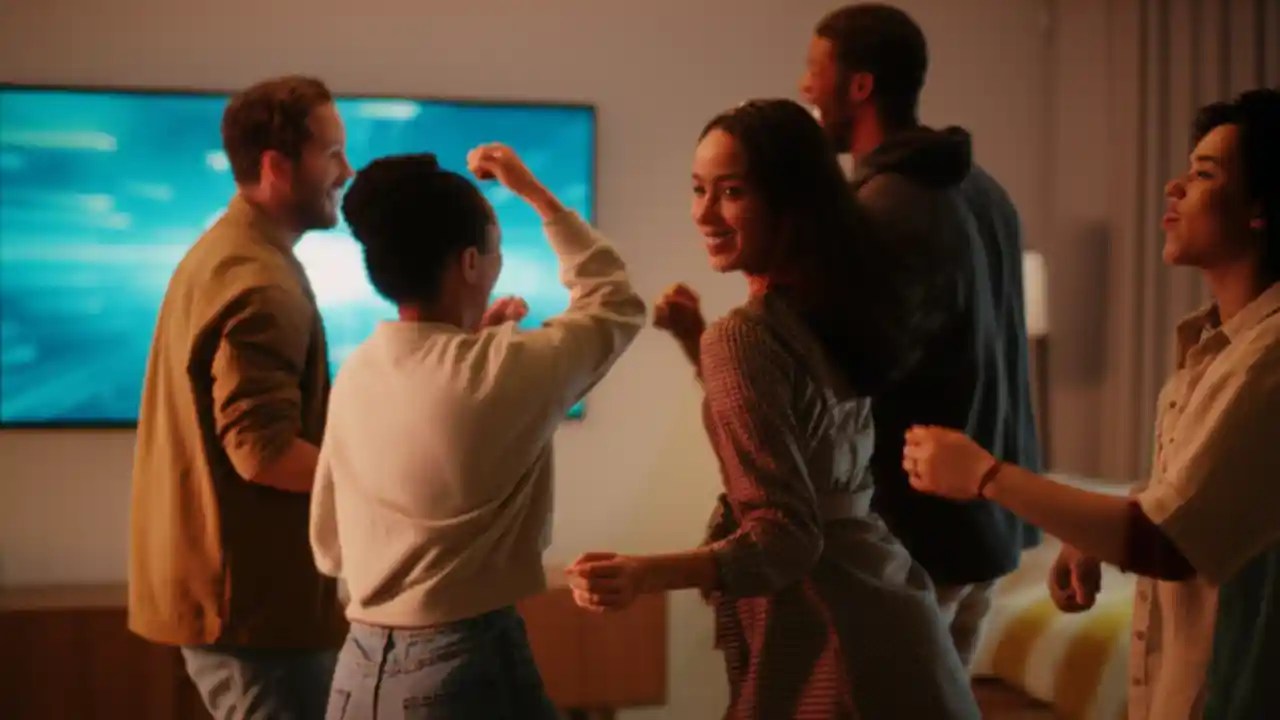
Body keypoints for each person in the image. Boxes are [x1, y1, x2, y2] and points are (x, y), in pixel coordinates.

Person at [567, 99, 980, 720]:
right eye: (698, 189)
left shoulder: (747, 336)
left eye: (731, 192)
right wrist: (693, 339)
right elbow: (793, 430)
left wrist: (641, 574)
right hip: (888, 605)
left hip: (824, 637)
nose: (704, 213)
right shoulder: (841, 309)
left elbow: (785, 539)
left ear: (791, 204)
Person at [904, 88, 1280, 720]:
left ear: (1261, 209)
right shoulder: (1212, 344)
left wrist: (987, 475)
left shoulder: (1270, 355)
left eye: (1204, 174)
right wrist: (1094, 532)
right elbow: (1200, 490)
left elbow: (1167, 542)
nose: (1174, 185)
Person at [310, 146, 645, 719]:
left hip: (356, 675)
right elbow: (614, 301)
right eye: (496, 252)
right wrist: (534, 192)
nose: (496, 267)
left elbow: (330, 544)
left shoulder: (360, 369)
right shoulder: (504, 370)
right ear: (470, 263)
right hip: (460, 671)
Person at [797, 2, 1043, 664]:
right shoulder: (983, 188)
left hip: (920, 543)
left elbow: (856, 371)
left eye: (814, 70)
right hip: (980, 532)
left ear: (859, 85)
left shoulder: (888, 206)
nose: (804, 87)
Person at [129, 75, 352, 719]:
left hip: (241, 609)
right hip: (258, 617)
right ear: (278, 166)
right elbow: (265, 452)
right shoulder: (262, 283)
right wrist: (383, 479)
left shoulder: (226, 255)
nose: (347, 169)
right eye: (332, 154)